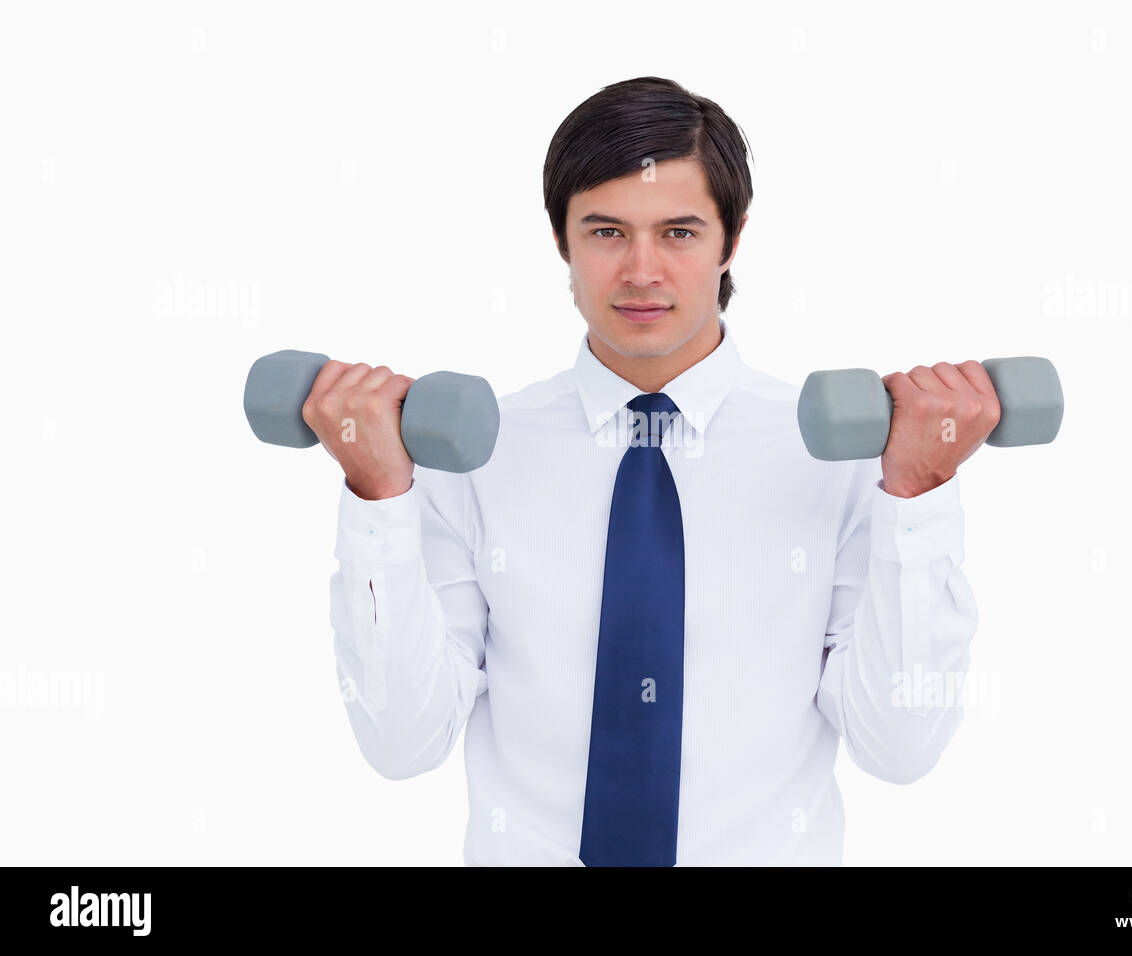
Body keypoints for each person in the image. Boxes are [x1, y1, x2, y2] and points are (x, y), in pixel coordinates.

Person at [303, 76, 999, 866]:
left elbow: (898, 748)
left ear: (731, 239)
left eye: (678, 233)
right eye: (606, 233)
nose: (640, 272)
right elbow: (401, 743)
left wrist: (918, 495)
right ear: (561, 240)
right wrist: (378, 496)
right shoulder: (475, 457)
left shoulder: (838, 462)